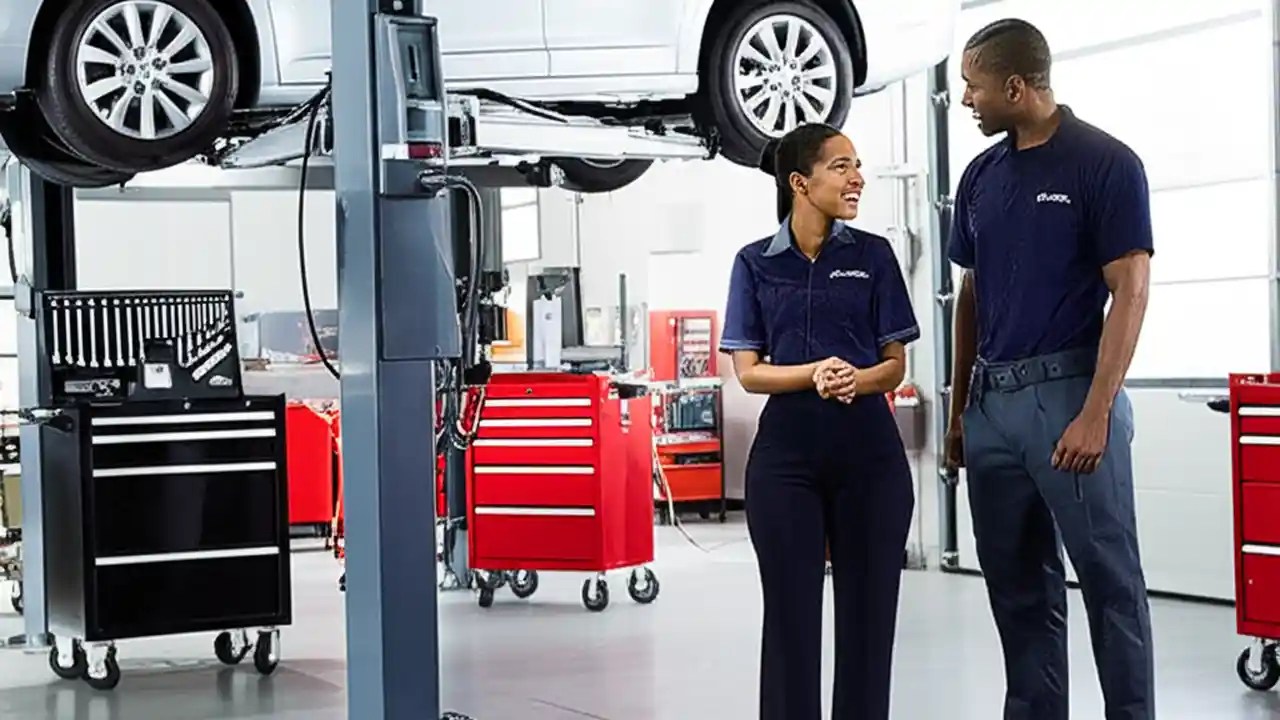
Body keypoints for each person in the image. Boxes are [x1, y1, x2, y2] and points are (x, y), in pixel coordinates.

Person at [944, 18, 1156, 720]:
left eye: (974, 87)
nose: (967, 100)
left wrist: (1098, 410)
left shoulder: (1105, 162)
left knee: (1110, 584)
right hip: (991, 407)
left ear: (1015, 85)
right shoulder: (980, 176)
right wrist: (956, 416)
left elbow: (1130, 286)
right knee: (1017, 590)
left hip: (1070, 394)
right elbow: (970, 295)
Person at [719, 122, 919, 720]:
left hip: (870, 456)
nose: (857, 177)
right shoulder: (754, 264)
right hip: (787, 459)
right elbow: (749, 371)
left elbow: (893, 363)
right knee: (790, 619)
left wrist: (855, 379)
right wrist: (815, 373)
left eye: (858, 165)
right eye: (841, 166)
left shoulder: (874, 256)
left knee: (868, 619)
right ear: (799, 182)